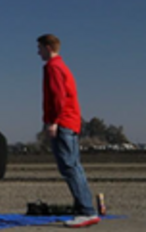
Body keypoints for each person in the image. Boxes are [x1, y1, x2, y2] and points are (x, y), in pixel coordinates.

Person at [38, 34, 101, 228]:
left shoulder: (53, 67)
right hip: (70, 121)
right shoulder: (61, 67)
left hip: (64, 122)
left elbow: (58, 97)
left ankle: (86, 210)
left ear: (48, 47)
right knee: (74, 166)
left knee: (69, 166)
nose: (38, 52)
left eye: (40, 48)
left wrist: (53, 122)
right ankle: (84, 208)